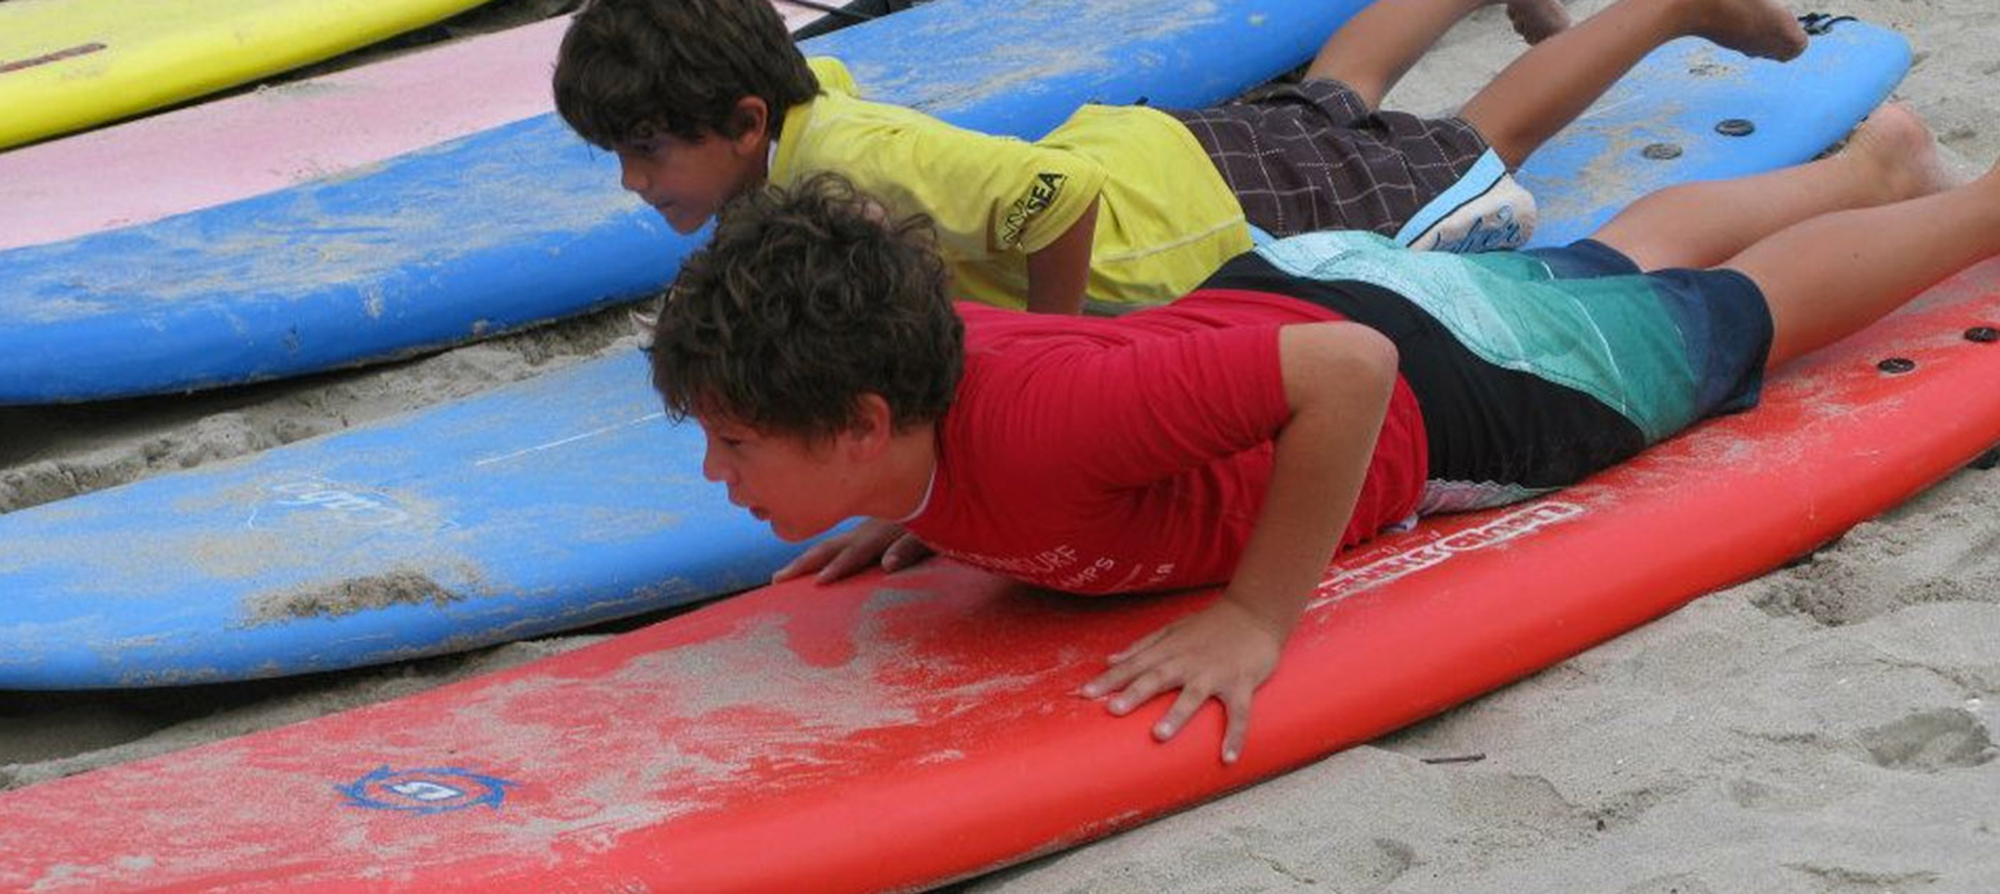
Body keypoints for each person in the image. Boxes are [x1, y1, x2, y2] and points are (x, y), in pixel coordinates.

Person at [645, 104, 1990, 763]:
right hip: (1283, 296)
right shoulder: (914, 410)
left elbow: (1344, 372)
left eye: (742, 444)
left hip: (1431, 384)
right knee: (1586, 271)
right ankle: (1866, 164)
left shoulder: (1051, 421)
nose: (720, 475)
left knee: (1720, 321)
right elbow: (949, 346)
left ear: (863, 418)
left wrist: (1258, 616)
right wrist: (907, 496)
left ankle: (1969, 207)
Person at [552, 0, 1810, 314]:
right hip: (1161, 163)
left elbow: (1044, 206)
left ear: (743, 126)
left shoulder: (860, 157)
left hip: (1190, 221)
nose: (635, 182)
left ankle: (1664, 7)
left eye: (650, 152)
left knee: (1468, 146)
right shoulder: (794, 127)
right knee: (1333, 95)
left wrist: (1057, 343)